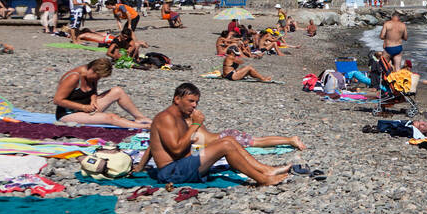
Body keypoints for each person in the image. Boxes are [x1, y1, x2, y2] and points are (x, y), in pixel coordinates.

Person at [145, 82, 298, 186]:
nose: (194, 106)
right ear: (177, 99)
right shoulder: (166, 118)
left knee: (229, 139)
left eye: (196, 102)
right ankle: (263, 179)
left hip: (182, 167)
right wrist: (196, 124)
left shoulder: (179, 117)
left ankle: (265, 169)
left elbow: (154, 145)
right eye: (191, 101)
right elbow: (176, 149)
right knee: (225, 144)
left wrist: (139, 168)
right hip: (172, 173)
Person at [53, 58, 150, 129]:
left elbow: (93, 92)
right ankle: (145, 127)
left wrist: (93, 99)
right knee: (111, 117)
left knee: (117, 91)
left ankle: (139, 117)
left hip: (87, 107)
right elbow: (57, 100)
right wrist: (83, 107)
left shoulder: (91, 76)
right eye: (97, 76)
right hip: (68, 113)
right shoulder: (74, 77)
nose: (97, 79)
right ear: (92, 69)